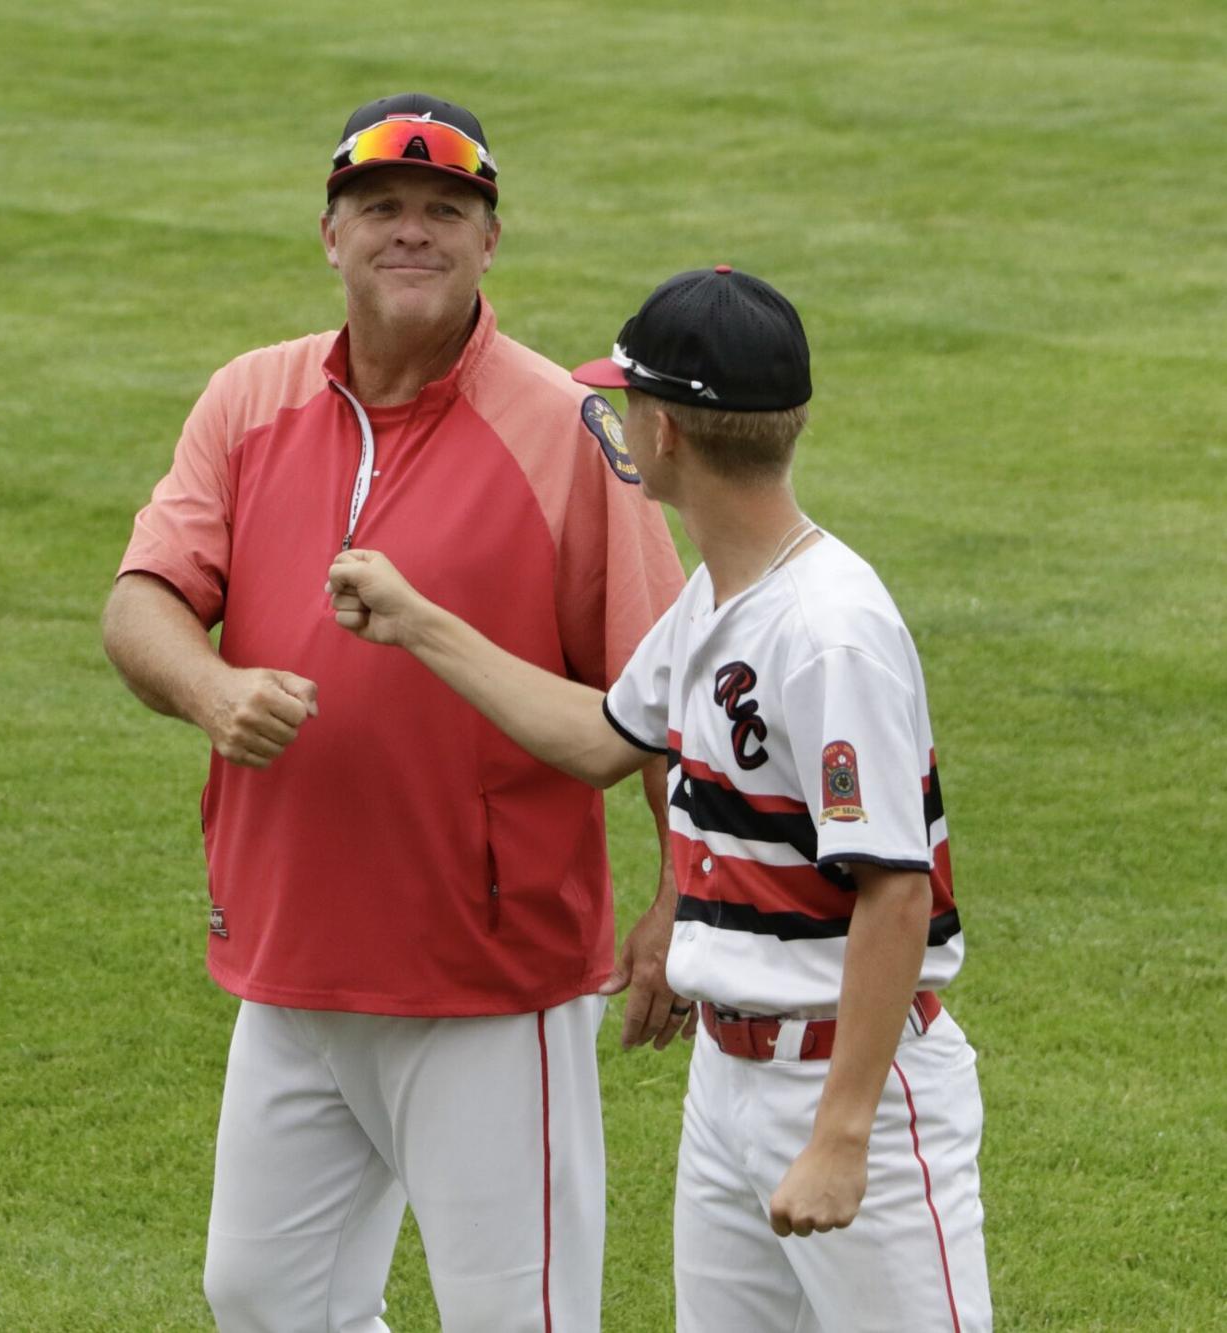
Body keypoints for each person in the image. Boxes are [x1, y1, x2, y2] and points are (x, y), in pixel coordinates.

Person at [102, 92, 687, 1333]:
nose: (410, 232)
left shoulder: (567, 432)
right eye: (381, 209)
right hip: (291, 959)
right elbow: (141, 601)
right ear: (331, 234)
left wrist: (681, 895)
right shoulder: (247, 401)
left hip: (490, 980)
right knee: (263, 1299)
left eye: (444, 211)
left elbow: (662, 684)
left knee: (514, 1317)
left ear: (490, 242)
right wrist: (210, 687)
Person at [326, 266, 993, 1331]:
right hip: (728, 1080)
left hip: (843, 1072)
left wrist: (841, 1132)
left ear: (668, 432)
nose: (616, 418)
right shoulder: (716, 594)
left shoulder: (828, 632)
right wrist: (417, 622)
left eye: (627, 400)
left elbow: (895, 892)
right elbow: (599, 738)